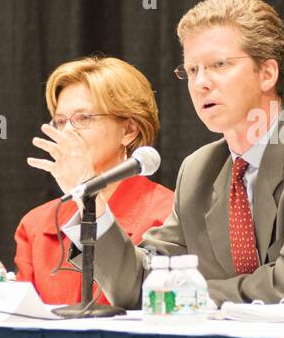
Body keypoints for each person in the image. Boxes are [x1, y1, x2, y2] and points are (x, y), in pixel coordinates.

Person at [62, 0, 284, 308]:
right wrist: (93, 205)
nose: (201, 84)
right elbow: (139, 284)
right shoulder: (199, 170)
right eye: (192, 70)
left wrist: (186, 296)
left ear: (267, 73)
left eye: (219, 65)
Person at [16, 56, 173, 305]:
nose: (67, 132)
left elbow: (156, 304)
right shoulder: (35, 224)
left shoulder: (167, 213)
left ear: (129, 130)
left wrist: (85, 189)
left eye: (83, 119)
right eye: (60, 121)